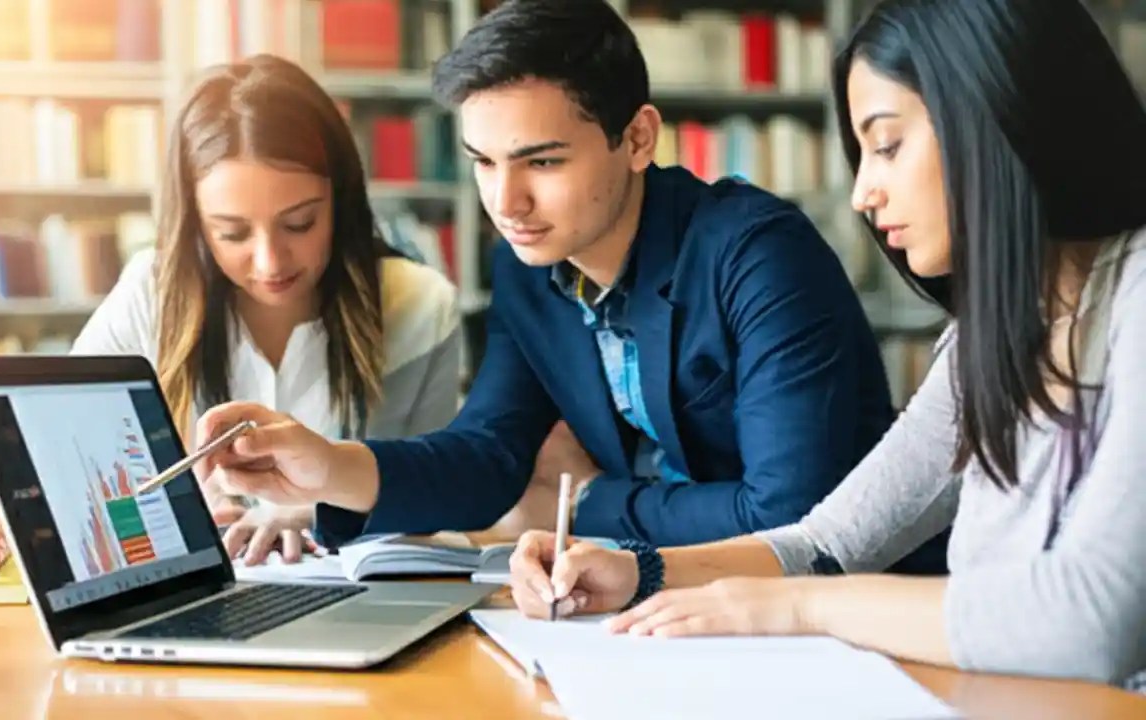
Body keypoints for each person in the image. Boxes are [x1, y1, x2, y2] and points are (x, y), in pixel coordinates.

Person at [506, 0, 1146, 689]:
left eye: (887, 145)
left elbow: (1089, 622)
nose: (862, 194)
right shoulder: (991, 337)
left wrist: (798, 607)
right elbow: (828, 543)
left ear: (998, 115)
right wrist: (639, 571)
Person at [191, 0, 949, 573]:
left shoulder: (757, 255)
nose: (506, 202)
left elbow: (792, 513)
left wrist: (587, 502)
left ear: (638, 138)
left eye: (542, 162)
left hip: (852, 601)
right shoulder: (531, 270)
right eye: (484, 162)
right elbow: (488, 457)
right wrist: (328, 467)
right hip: (677, 598)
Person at [0, 54, 465, 578]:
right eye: (232, 232)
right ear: (196, 225)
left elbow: (438, 495)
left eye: (299, 223)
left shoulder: (421, 308)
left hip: (353, 604)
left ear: (340, 199)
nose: (270, 262)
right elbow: (47, 448)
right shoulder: (152, 293)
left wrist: (319, 508)